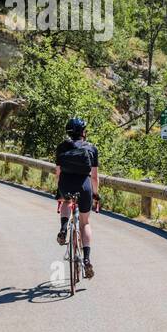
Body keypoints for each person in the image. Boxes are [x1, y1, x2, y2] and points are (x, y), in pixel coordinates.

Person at [55, 116, 99, 278]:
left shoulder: (61, 147)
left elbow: (58, 172)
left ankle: (63, 228)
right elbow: (94, 177)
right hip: (84, 186)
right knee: (85, 222)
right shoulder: (91, 149)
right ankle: (87, 259)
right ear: (83, 133)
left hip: (66, 183)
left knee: (66, 201)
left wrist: (59, 189)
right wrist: (95, 194)